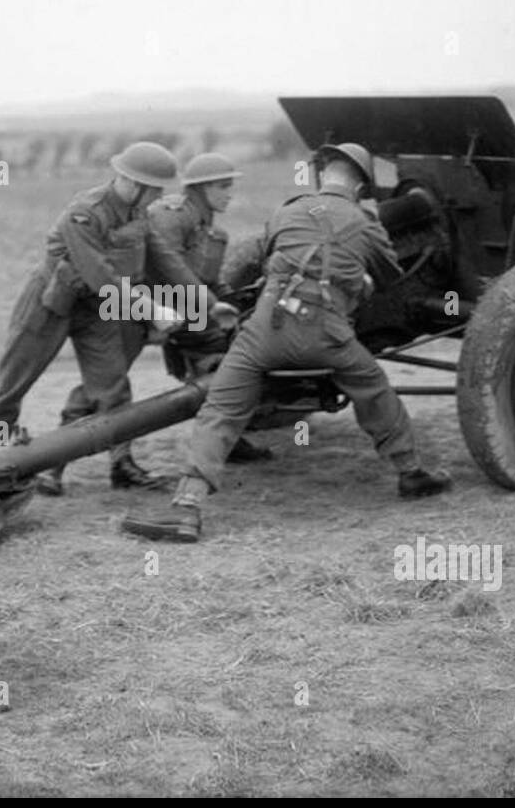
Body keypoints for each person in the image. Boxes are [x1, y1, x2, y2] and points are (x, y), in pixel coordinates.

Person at [121, 142, 452, 544]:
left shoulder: (288, 210)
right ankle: (411, 473)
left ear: (320, 176)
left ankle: (187, 508)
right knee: (374, 388)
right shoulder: (365, 221)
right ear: (361, 187)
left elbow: (260, 260)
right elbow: (389, 275)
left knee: (221, 409)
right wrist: (357, 280)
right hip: (327, 333)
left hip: (265, 330)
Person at [37, 152, 265, 497]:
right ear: (200, 189)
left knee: (222, 361)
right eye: (223, 186)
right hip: (133, 308)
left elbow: (204, 282)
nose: (230, 193)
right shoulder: (168, 217)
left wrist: (234, 304)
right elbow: (153, 272)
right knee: (106, 385)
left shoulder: (215, 234)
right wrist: (174, 314)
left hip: (176, 313)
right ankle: (53, 465)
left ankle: (223, 439)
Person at [0, 141, 182, 490]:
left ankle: (122, 465)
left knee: (113, 387)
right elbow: (99, 274)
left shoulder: (138, 213)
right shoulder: (84, 212)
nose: (158, 196)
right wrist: (152, 309)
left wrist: (203, 304)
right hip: (50, 300)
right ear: (132, 183)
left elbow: (163, 257)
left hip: (96, 308)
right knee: (14, 384)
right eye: (155, 189)